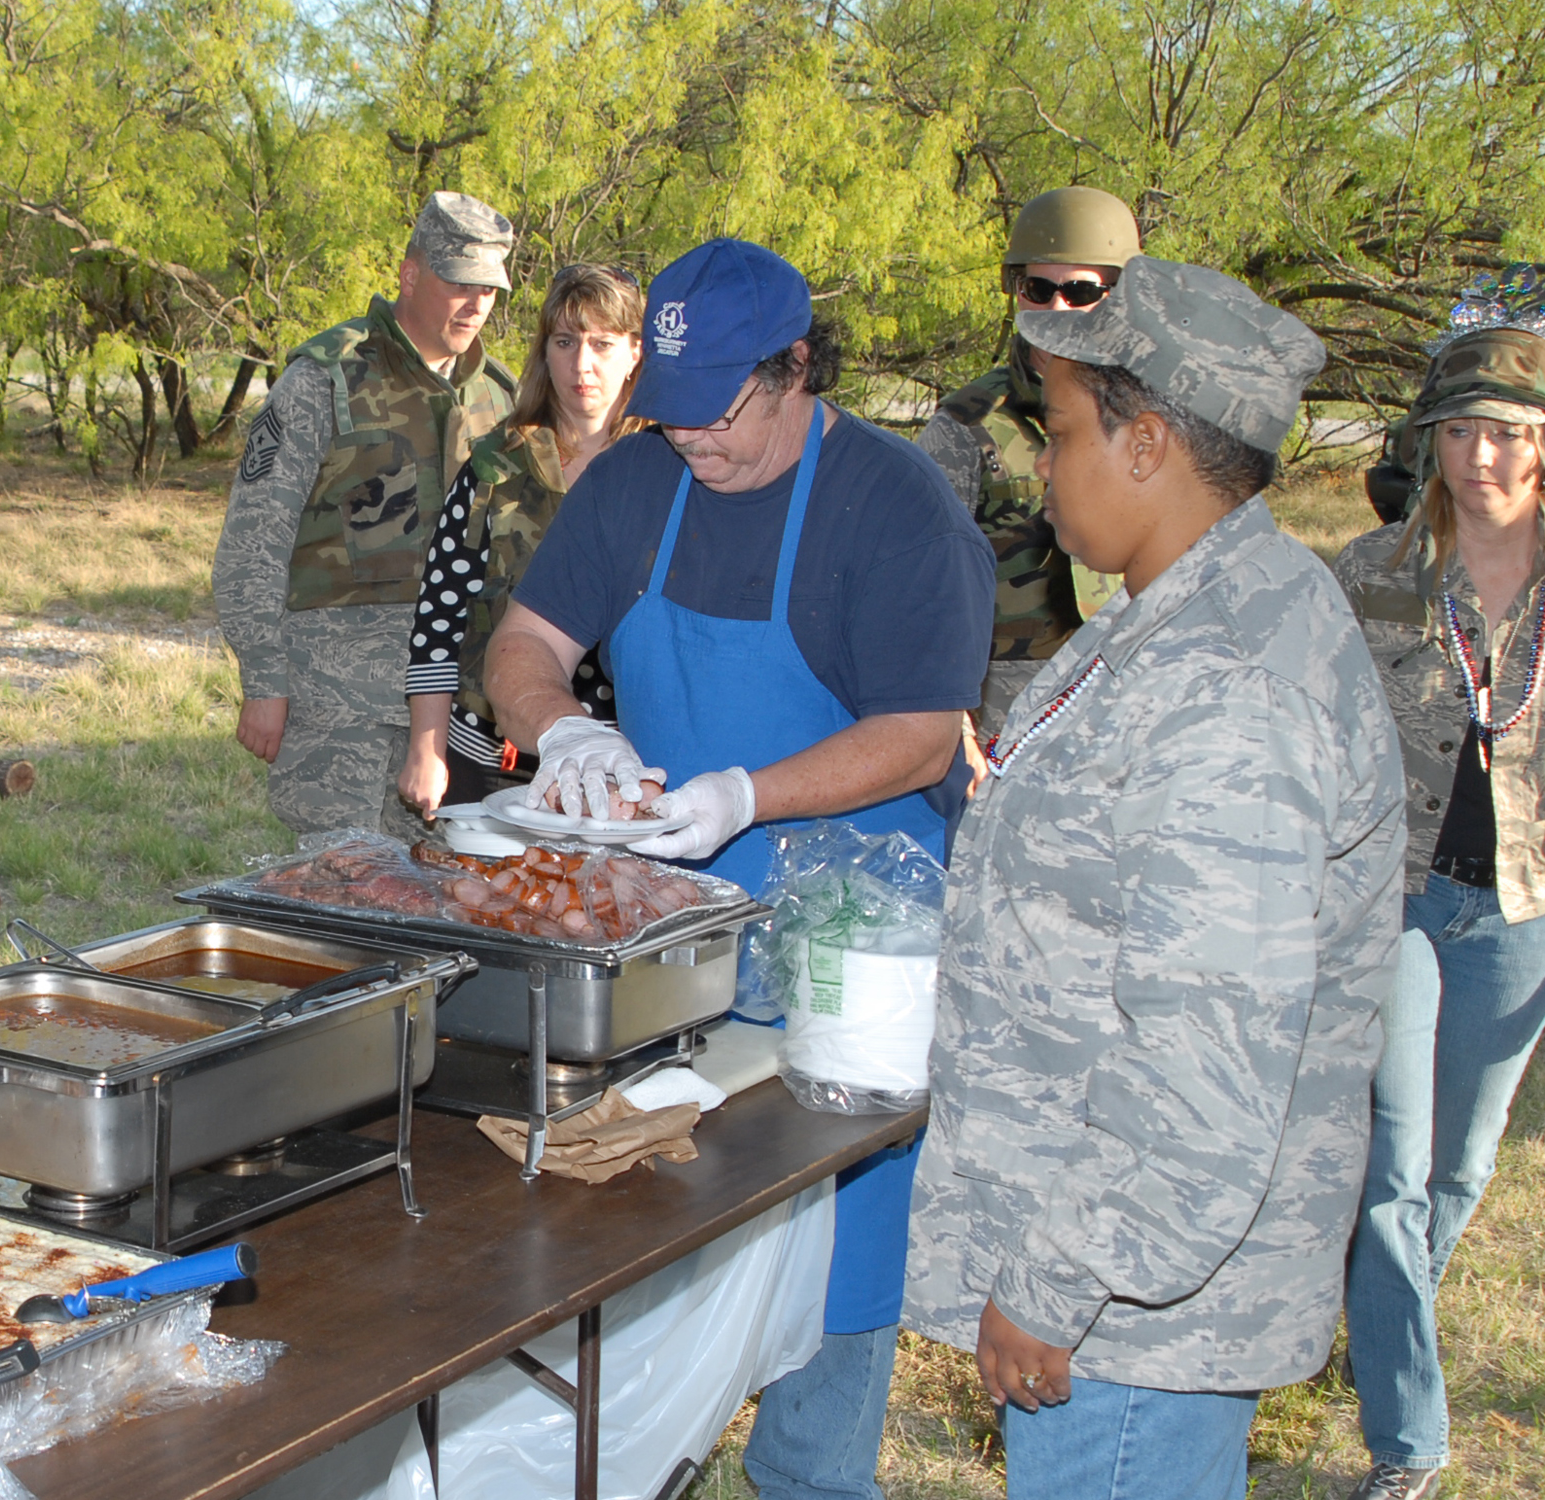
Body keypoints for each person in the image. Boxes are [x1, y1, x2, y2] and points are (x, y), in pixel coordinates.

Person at [487, 238, 995, 1500]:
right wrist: (568, 729)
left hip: (854, 945)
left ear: (796, 369)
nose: (694, 442)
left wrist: (746, 796)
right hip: (681, 940)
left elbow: (926, 728)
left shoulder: (892, 503)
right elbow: (521, 643)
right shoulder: (633, 484)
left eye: (719, 409)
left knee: (833, 1263)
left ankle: (813, 1474)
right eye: (672, 410)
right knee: (666, 1230)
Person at [903, 257, 1402, 1500]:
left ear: (1147, 445)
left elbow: (1207, 1057)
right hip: (1122, 1289)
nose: (1044, 464)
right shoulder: (1179, 613)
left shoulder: (1231, 683)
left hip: (1133, 1317)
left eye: (1063, 429)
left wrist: (1059, 1280)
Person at [1333, 267, 1545, 1500]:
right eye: (1459, 431)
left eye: (1510, 433)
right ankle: (1408, 1443)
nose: (1481, 460)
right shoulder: (1375, 570)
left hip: (1516, 912)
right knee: (1394, 1166)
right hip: (1402, 901)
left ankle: (1383, 1316)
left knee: (1461, 1170)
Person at [214, 192, 517, 839]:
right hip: (337, 709)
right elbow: (253, 542)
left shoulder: (502, 399)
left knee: (442, 901)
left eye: (488, 290)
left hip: (457, 713)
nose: (475, 305)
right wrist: (264, 678)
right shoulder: (326, 378)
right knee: (338, 893)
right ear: (411, 275)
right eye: (459, 283)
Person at [398, 263, 644, 815]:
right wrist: (427, 747)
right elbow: (441, 611)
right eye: (565, 341)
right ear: (544, 351)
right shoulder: (495, 464)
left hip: (620, 764)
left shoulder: (666, 470)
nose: (582, 364)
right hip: (490, 757)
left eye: (603, 344)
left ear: (635, 353)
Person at [917, 185, 1141, 739]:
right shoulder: (968, 426)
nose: (1055, 308)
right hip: (1009, 699)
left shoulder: (1165, 416)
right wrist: (955, 727)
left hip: (1138, 681)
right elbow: (918, 589)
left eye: (1082, 289)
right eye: (1037, 288)